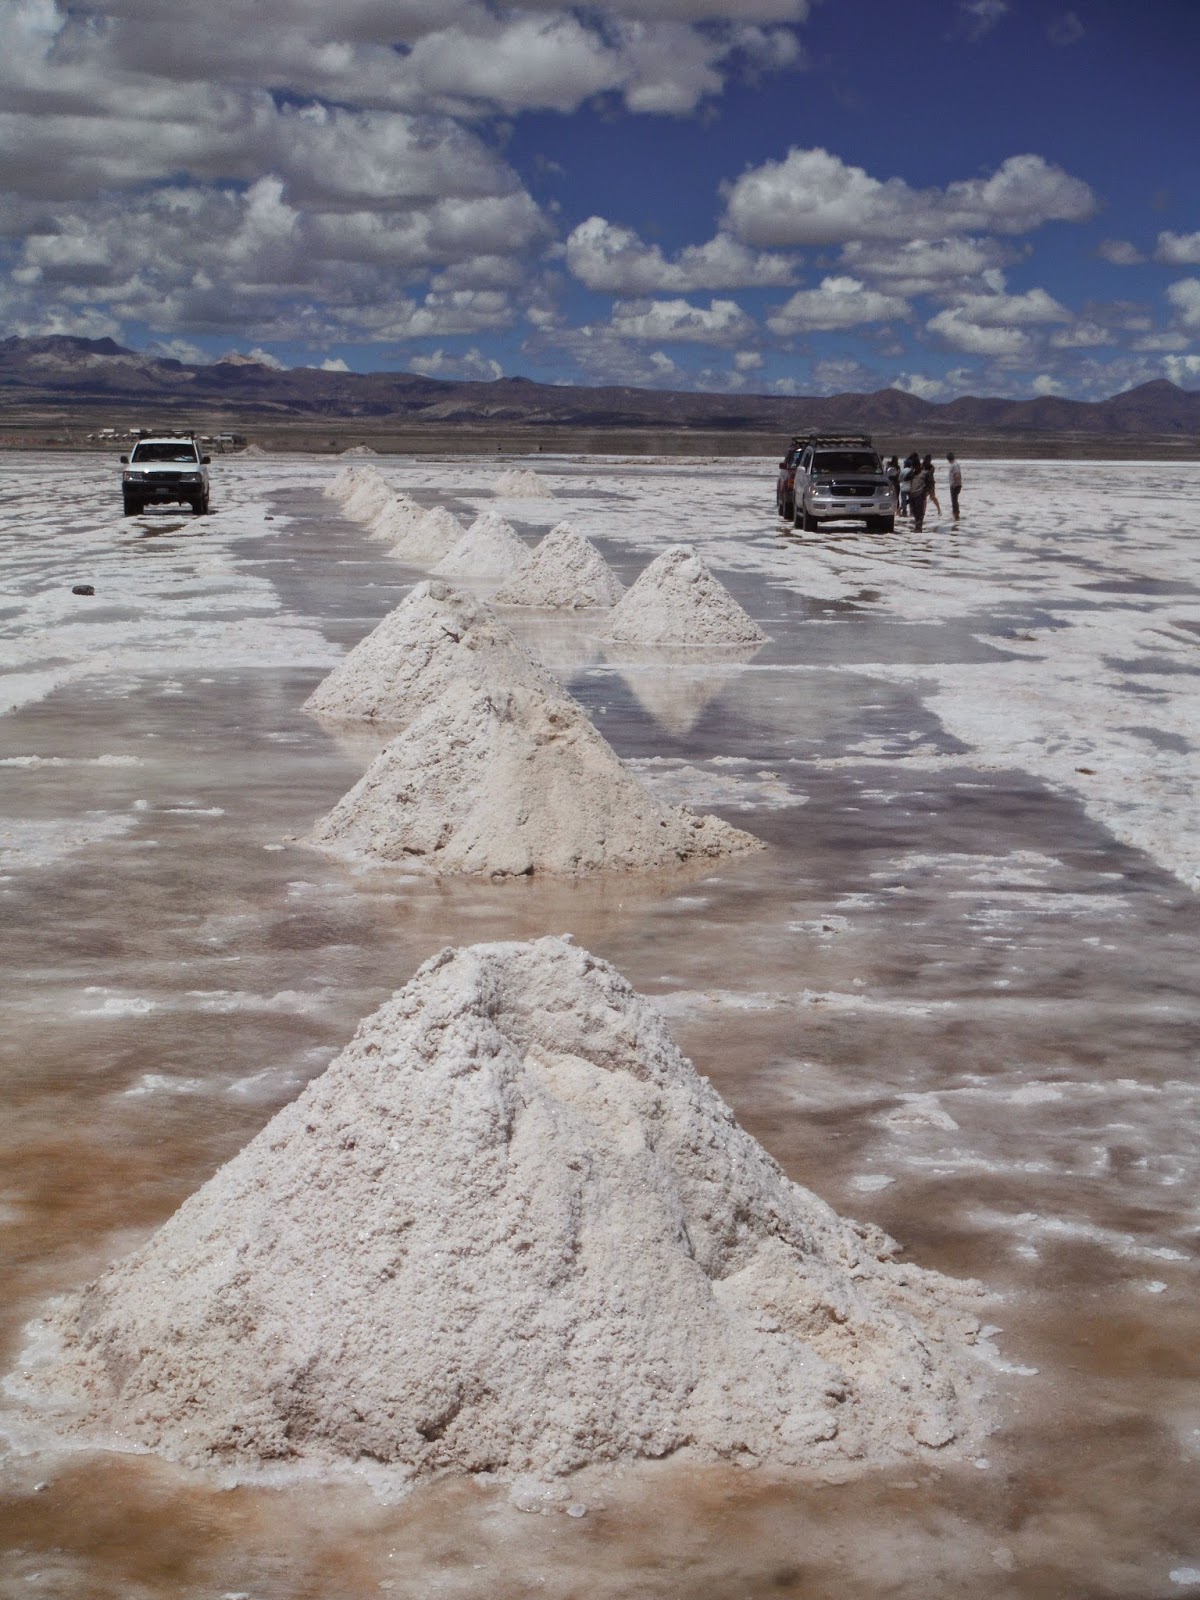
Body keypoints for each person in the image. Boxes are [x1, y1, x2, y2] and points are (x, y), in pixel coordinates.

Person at [908, 456, 928, 532]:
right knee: (914, 511)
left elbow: (930, 483)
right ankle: (917, 525)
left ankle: (918, 527)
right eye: (914, 467)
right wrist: (911, 471)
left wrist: (925, 491)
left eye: (916, 466)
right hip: (912, 494)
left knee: (919, 512)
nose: (915, 468)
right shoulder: (912, 474)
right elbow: (906, 478)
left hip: (919, 494)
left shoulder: (924, 473)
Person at [947, 452, 962, 521]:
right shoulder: (955, 464)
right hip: (955, 484)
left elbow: (957, 475)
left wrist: (956, 484)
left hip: (955, 485)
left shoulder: (955, 465)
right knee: (954, 500)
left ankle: (956, 514)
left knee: (954, 500)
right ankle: (955, 514)